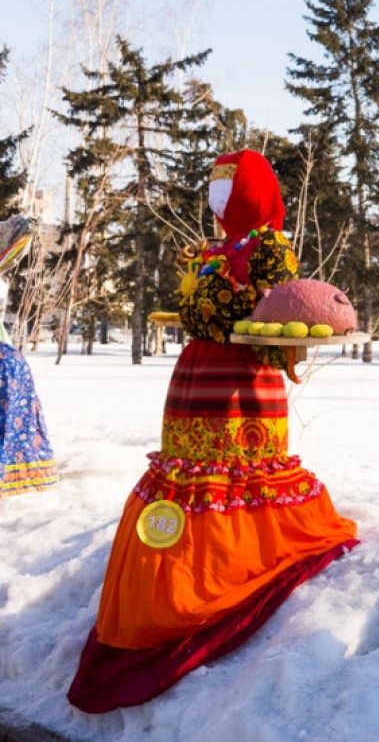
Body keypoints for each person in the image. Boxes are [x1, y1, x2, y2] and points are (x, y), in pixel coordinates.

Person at [68, 150, 358, 712]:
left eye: (228, 186)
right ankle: (174, 580)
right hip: (198, 371)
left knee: (235, 472)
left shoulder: (271, 247)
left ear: (253, 191)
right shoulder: (214, 248)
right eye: (214, 186)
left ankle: (228, 570)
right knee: (191, 471)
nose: (216, 198)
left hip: (241, 377)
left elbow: (276, 310)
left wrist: (248, 317)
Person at [0, 216, 55, 498]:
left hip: (6, 359)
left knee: (12, 417)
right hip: (8, 359)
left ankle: (15, 471)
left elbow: (18, 228)